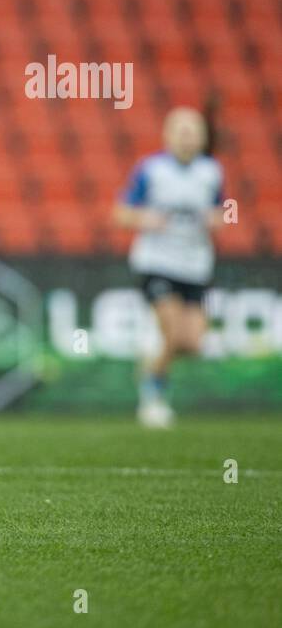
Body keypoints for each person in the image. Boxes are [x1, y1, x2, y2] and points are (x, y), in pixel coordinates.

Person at [114, 107, 225, 428]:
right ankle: (153, 397)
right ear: (168, 135)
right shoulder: (151, 170)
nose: (188, 136)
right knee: (173, 332)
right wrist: (144, 218)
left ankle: (152, 359)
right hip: (157, 262)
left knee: (192, 343)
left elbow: (224, 207)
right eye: (182, 130)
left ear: (203, 137)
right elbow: (120, 212)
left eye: (193, 130)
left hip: (196, 266)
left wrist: (221, 219)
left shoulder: (212, 172)